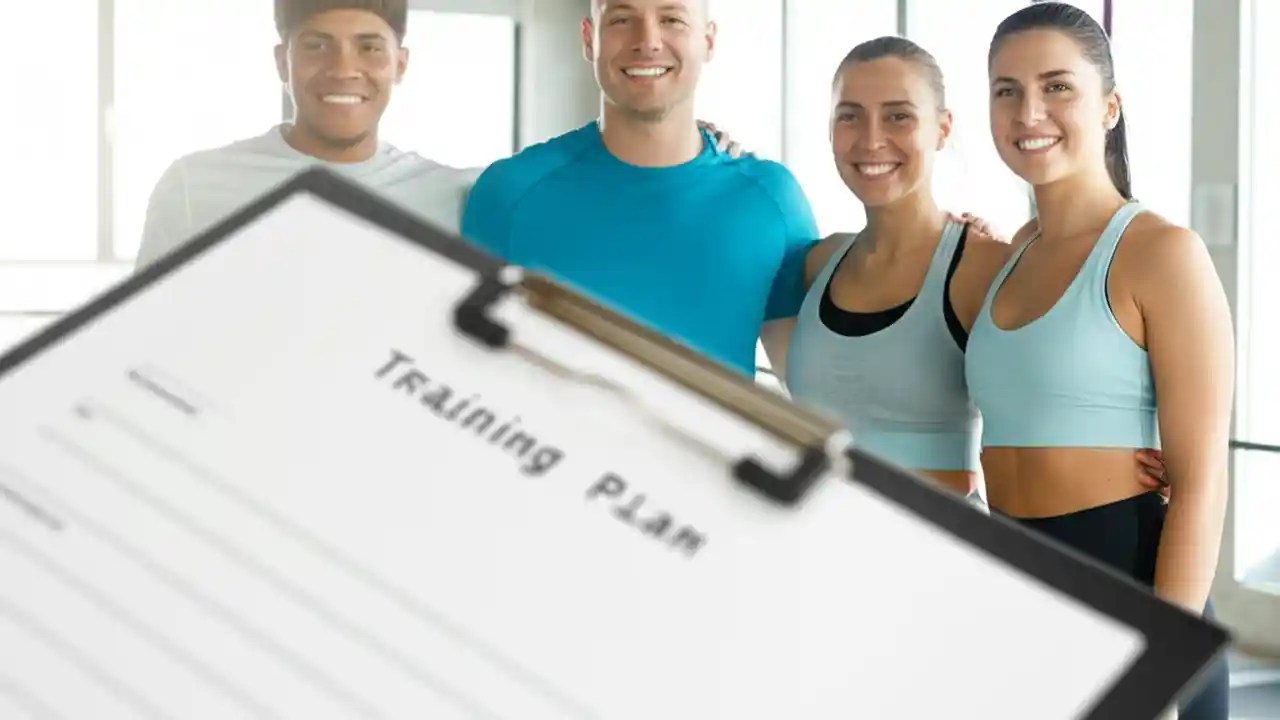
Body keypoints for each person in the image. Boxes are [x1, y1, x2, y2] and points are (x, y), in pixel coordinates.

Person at [966, 4, 1232, 717]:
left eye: (1058, 87)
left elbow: (1202, 487)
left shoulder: (1162, 253)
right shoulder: (1006, 252)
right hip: (1022, 584)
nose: (1030, 111)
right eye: (1006, 90)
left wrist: (1161, 672)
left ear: (1109, 107)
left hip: (1134, 592)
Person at [780, 36, 1167, 503]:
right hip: (812, 541)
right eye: (850, 115)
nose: (872, 139)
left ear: (942, 129)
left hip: (937, 552)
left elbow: (1078, 367)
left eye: (899, 115)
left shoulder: (986, 266)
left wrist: (1139, 460)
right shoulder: (818, 262)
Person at [134, 0, 742, 271]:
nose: (344, 69)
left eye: (369, 47)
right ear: (280, 62)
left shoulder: (456, 197)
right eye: (316, 46)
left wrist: (700, 149)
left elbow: (598, 205)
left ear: (400, 63)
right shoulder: (195, 186)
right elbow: (137, 342)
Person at [460, 0, 814, 377]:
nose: (647, 41)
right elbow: (463, 369)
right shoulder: (509, 194)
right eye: (622, 19)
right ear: (588, 39)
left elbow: (813, 394)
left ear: (707, 41)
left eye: (672, 19)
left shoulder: (772, 202)